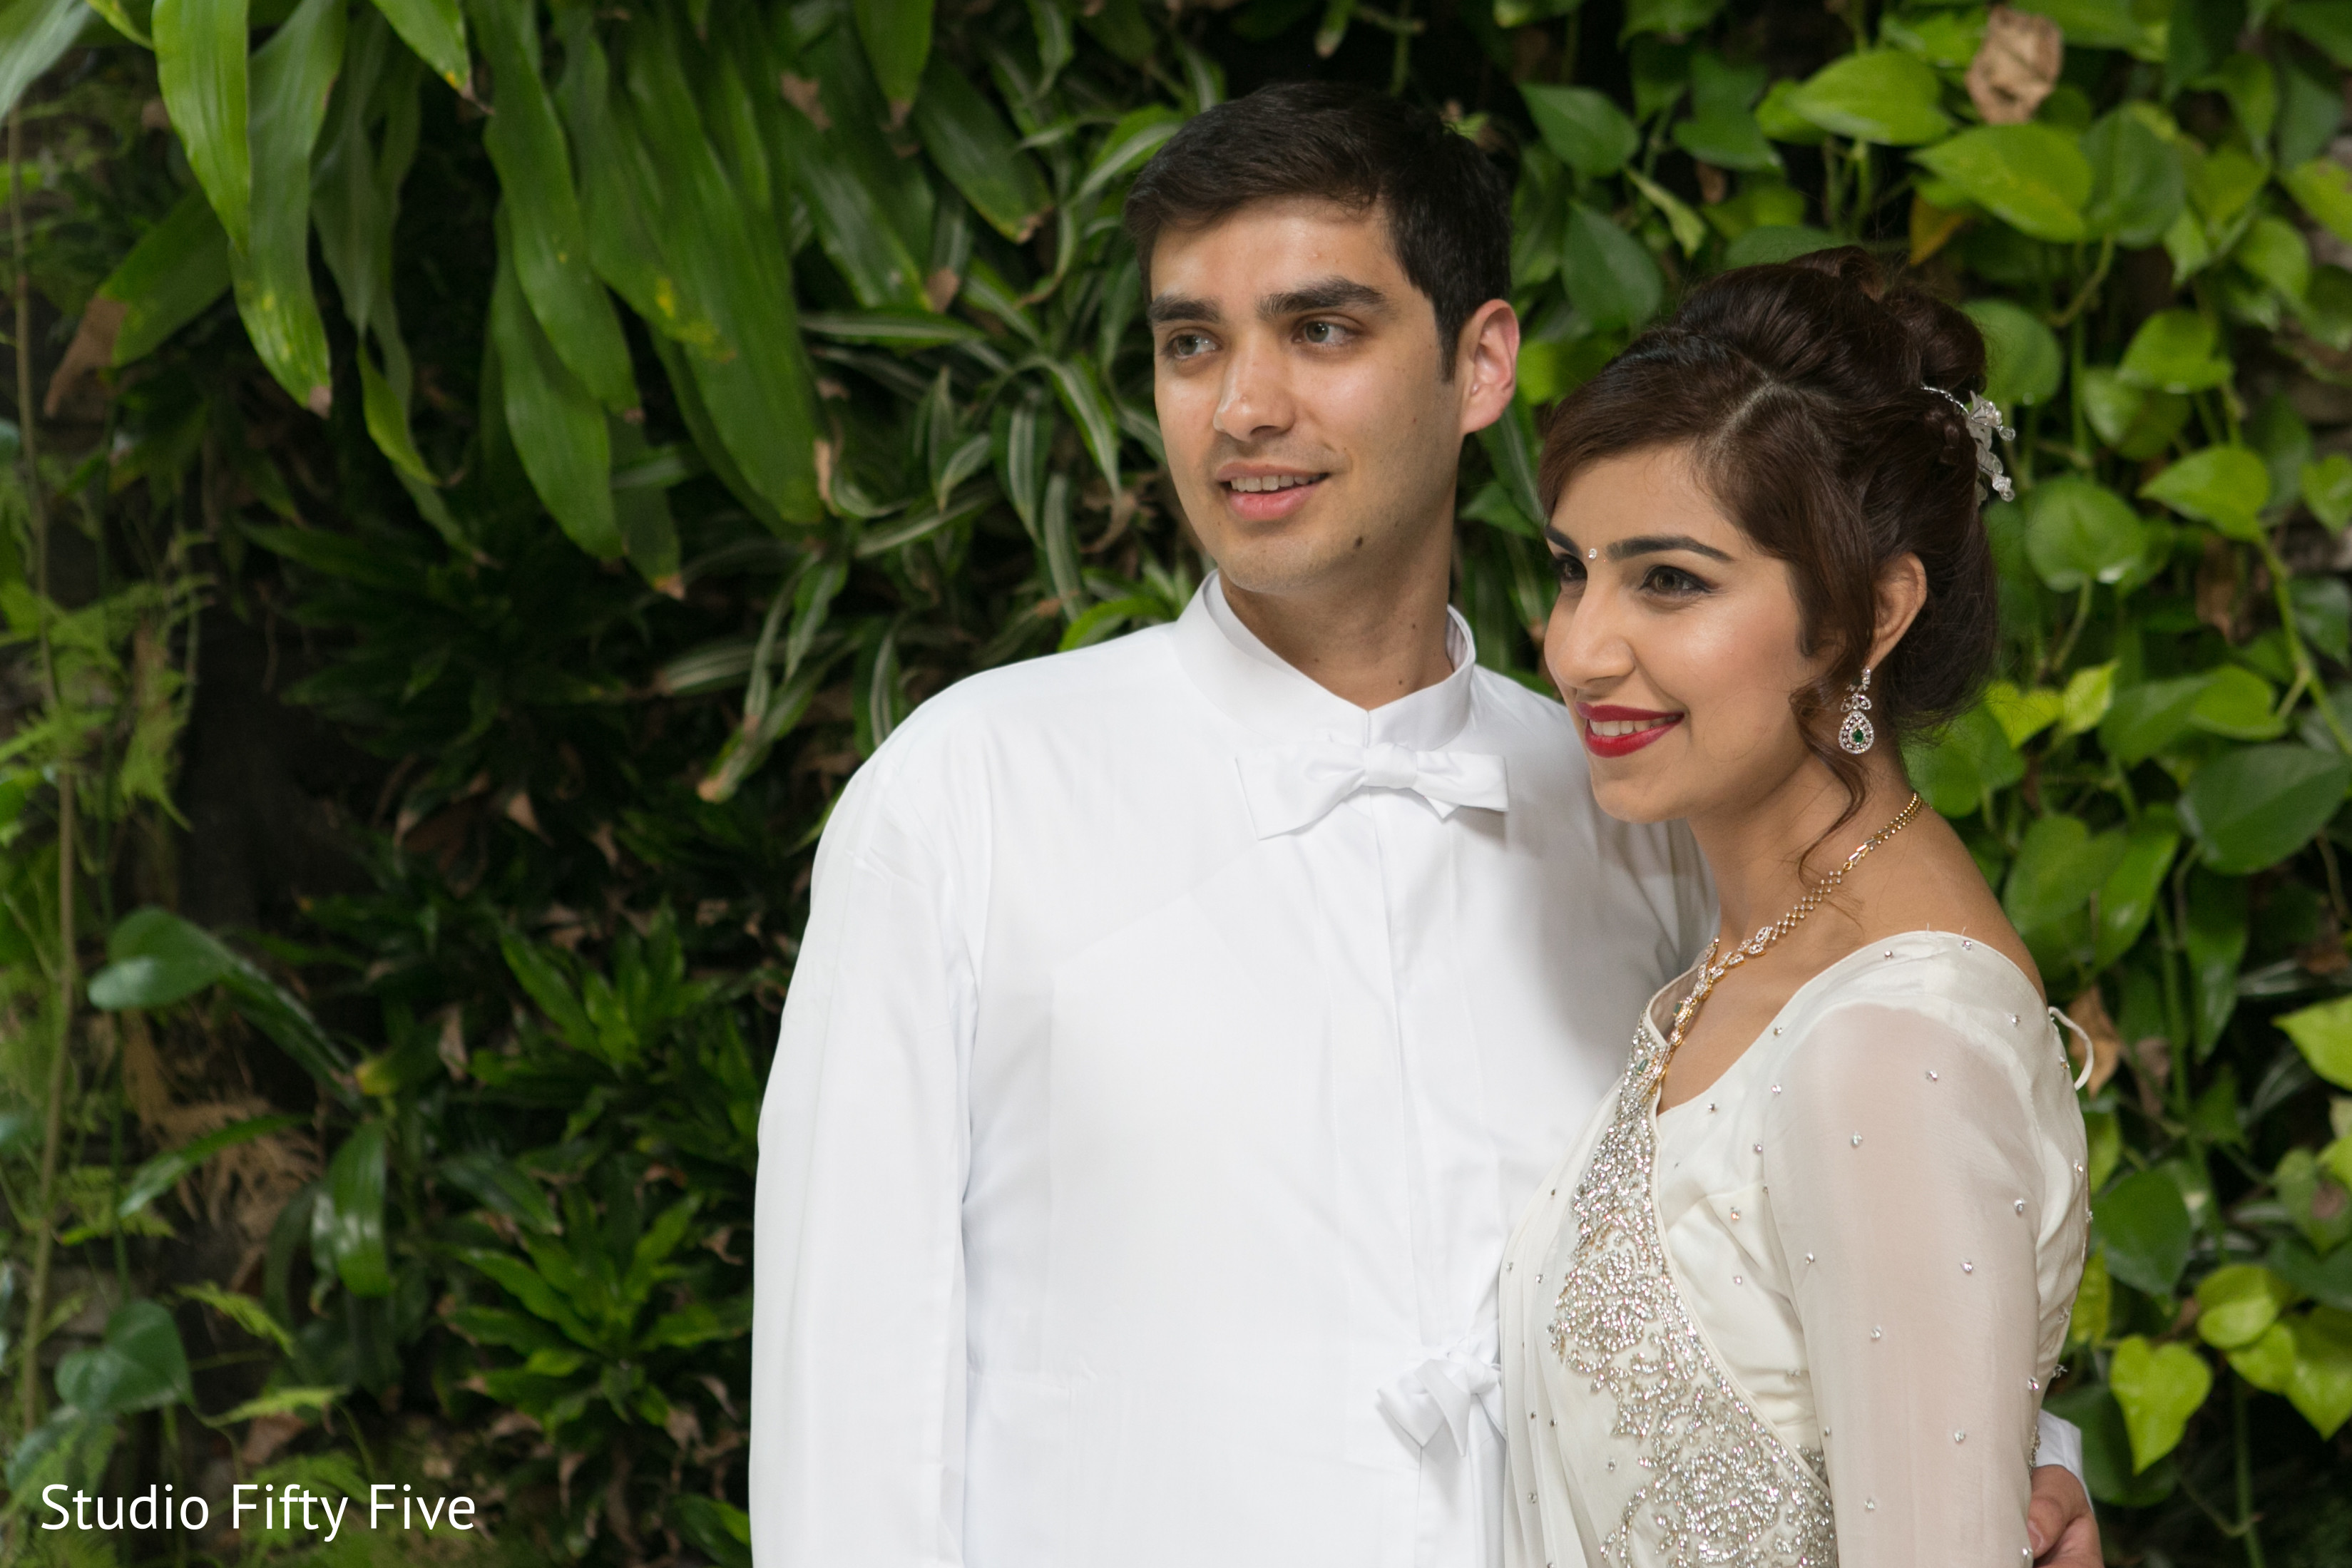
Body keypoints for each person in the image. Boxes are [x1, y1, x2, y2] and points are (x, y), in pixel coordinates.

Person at [749, 83, 2097, 1567]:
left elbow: (1828, 1229)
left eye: (1318, 329)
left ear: (1480, 363)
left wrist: (2010, 1473)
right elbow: (845, 1421)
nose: (1242, 406)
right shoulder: (970, 794)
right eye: (1189, 341)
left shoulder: (1635, 805)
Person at [1500, 249, 2092, 1568]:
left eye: (1669, 581)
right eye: (1570, 570)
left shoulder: (1888, 1048)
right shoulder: (1749, 950)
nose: (1579, 647)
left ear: (1869, 614)